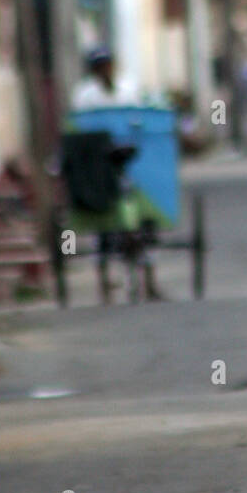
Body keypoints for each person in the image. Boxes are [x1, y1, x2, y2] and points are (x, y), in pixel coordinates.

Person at [69, 47, 162, 302]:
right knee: (103, 224)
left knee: (147, 218)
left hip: (131, 157)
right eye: (100, 66)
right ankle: (104, 282)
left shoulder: (128, 89)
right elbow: (81, 128)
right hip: (101, 163)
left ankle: (151, 280)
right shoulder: (84, 95)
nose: (105, 71)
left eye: (108, 65)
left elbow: (142, 118)